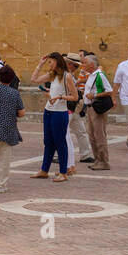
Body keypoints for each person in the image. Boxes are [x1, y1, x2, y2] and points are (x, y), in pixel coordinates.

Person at [30, 52, 78, 180]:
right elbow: (34, 80)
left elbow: (75, 96)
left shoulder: (67, 76)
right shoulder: (52, 75)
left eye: (50, 62)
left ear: (57, 61)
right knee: (48, 142)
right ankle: (44, 170)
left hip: (60, 113)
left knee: (60, 142)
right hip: (48, 111)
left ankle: (63, 172)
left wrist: (60, 97)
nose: (49, 64)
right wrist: (40, 64)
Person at [0, 63, 24, 192]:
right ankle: (1, 184)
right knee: (4, 158)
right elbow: (21, 112)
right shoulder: (14, 93)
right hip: (8, 129)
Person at [83, 53, 114, 171]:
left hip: (97, 108)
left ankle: (104, 161)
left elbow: (109, 91)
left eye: (85, 62)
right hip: (90, 107)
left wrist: (94, 95)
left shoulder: (100, 75)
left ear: (91, 64)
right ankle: (97, 160)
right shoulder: (91, 75)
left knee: (99, 135)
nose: (83, 64)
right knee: (92, 135)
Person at [64, 53, 93, 166]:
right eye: (75, 65)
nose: (76, 68)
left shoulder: (70, 74)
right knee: (63, 132)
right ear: (70, 64)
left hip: (74, 107)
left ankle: (85, 155)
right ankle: (57, 155)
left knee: (81, 131)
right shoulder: (64, 75)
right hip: (66, 107)